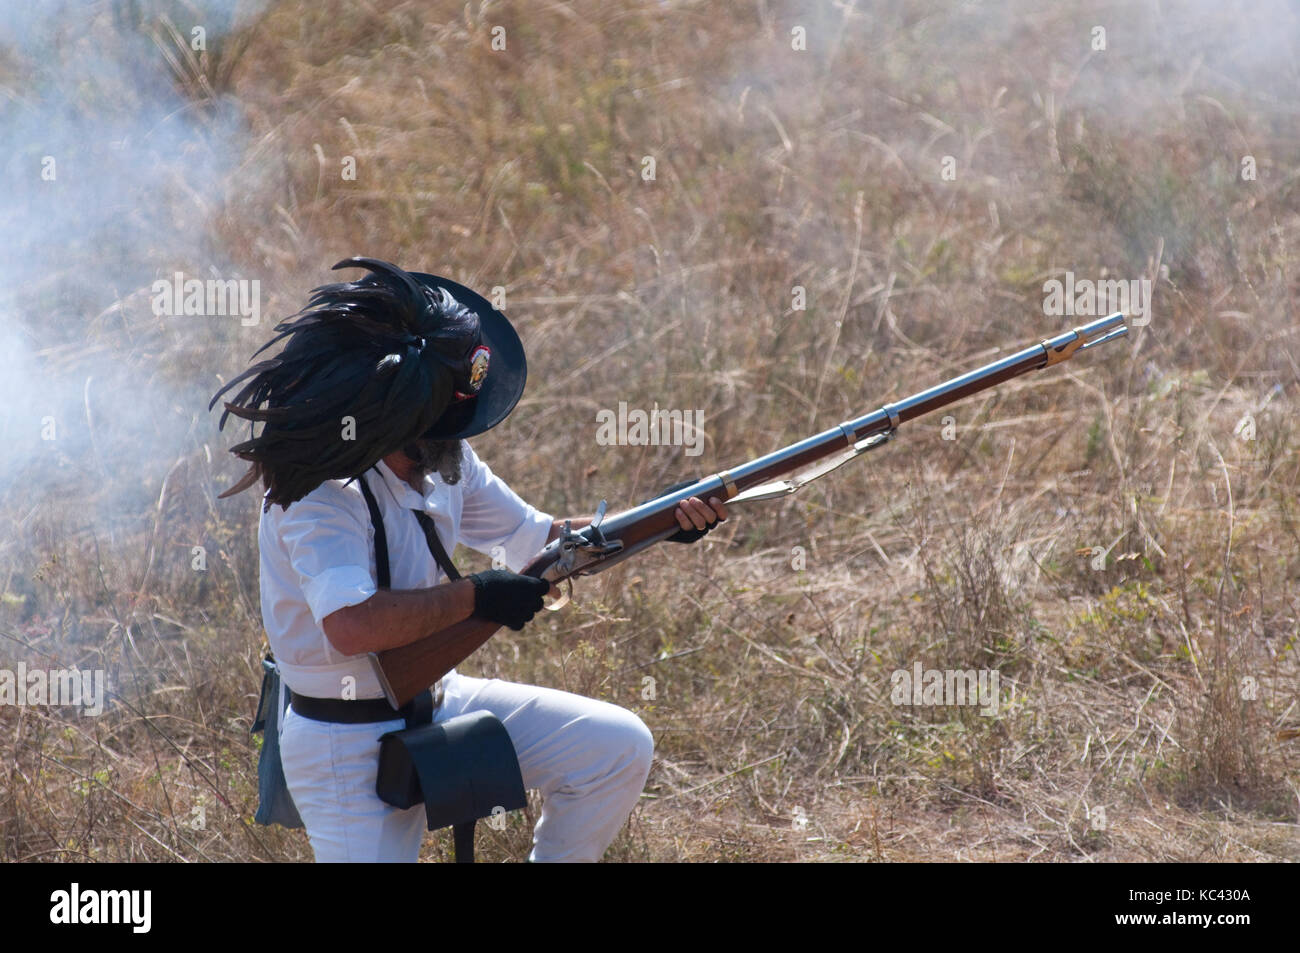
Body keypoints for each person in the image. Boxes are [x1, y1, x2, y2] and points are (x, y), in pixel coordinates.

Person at [211, 258, 727, 862]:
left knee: (615, 747)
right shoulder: (319, 495)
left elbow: (538, 538)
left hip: (432, 698)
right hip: (341, 740)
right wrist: (477, 596)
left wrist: (660, 521)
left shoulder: (439, 457)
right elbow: (352, 626)